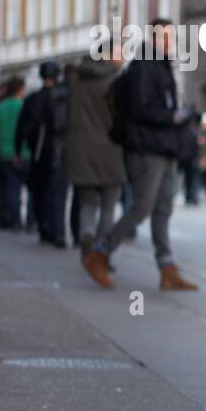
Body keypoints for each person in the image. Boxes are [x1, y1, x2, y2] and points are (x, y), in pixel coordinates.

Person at [82, 19, 198, 291]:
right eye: (164, 37)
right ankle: (99, 253)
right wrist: (174, 116)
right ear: (152, 38)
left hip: (164, 146)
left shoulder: (161, 65)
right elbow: (140, 108)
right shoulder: (144, 65)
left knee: (163, 208)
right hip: (146, 148)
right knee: (142, 206)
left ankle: (167, 269)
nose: (169, 42)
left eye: (172, 37)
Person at [66, 40, 126, 257]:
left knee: (88, 202)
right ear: (108, 55)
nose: (124, 57)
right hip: (111, 150)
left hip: (81, 149)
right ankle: (100, 253)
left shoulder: (76, 80)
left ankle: (86, 233)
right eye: (121, 52)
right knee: (109, 205)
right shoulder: (116, 82)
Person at [16, 60, 69, 248]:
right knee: (58, 193)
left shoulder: (33, 99)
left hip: (38, 153)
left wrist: (19, 150)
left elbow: (22, 128)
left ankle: (45, 228)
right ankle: (58, 231)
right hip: (61, 152)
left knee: (40, 191)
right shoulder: (65, 96)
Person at [0, 76, 28, 230]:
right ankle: (16, 220)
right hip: (22, 153)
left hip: (1, 152)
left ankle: (0, 218)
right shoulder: (22, 106)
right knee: (17, 189)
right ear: (20, 89)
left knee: (1, 187)